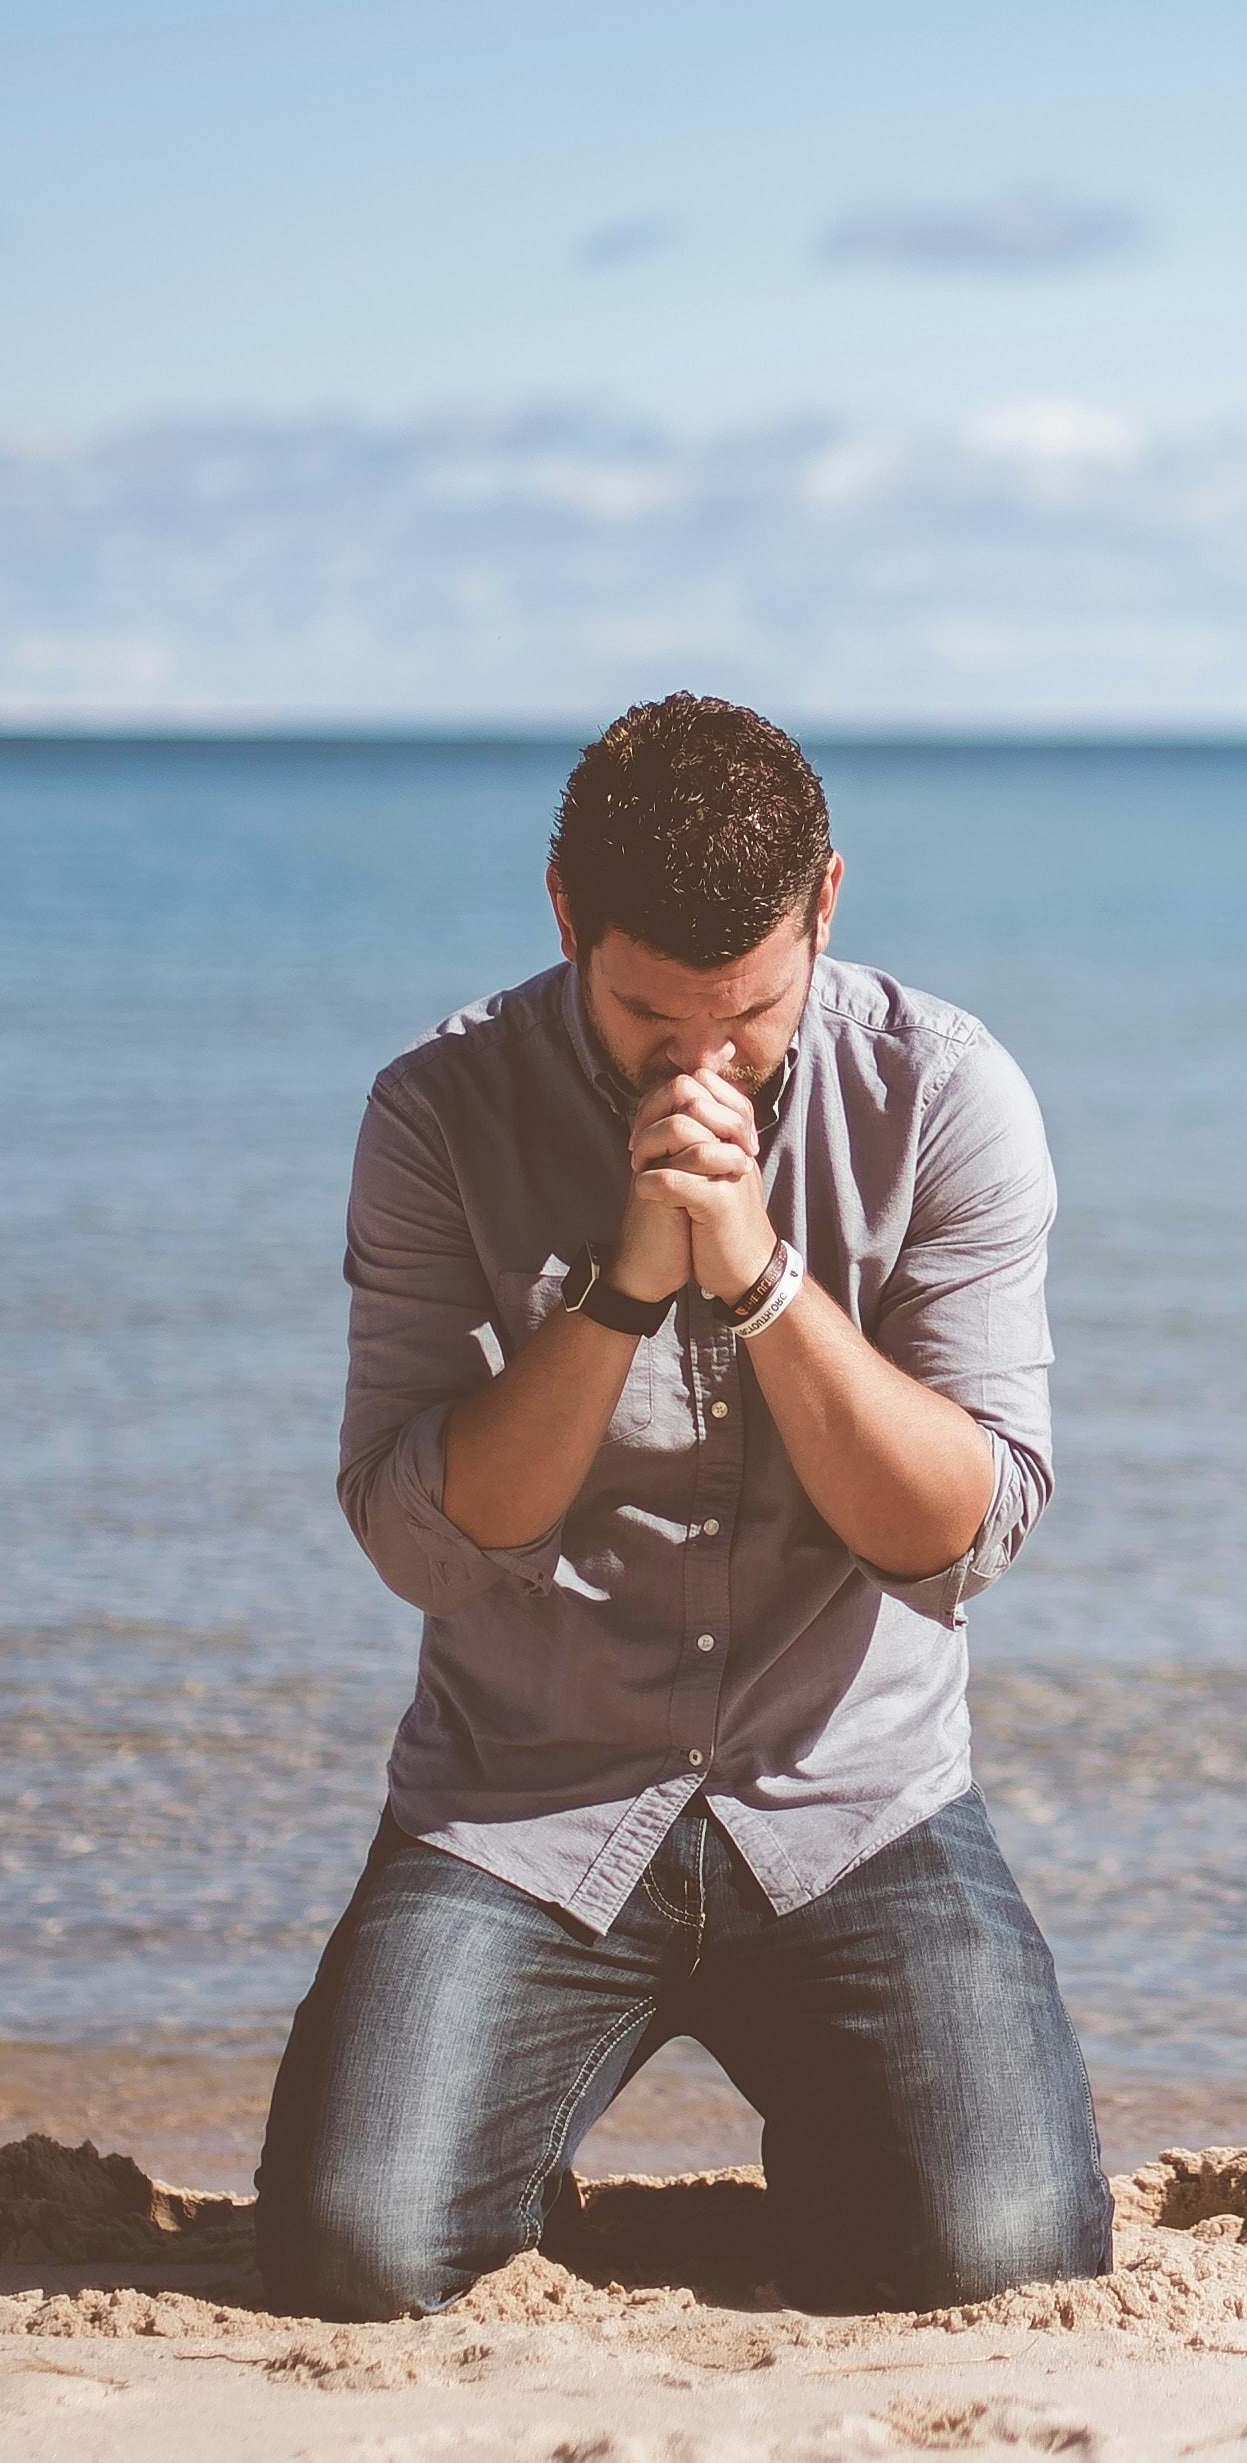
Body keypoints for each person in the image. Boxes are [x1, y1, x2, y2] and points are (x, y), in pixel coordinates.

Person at [254, 693, 1113, 2317]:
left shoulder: (943, 1094)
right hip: (526, 1806)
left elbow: (964, 1532)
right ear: (568, 916)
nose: (704, 1068)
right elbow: (423, 1538)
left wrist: (767, 1279)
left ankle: (846, 2153)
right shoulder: (438, 1111)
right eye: (654, 1018)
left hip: (856, 1804)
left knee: (1009, 2266)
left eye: (753, 1013)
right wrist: (625, 1292)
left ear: (828, 909)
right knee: (354, 2258)